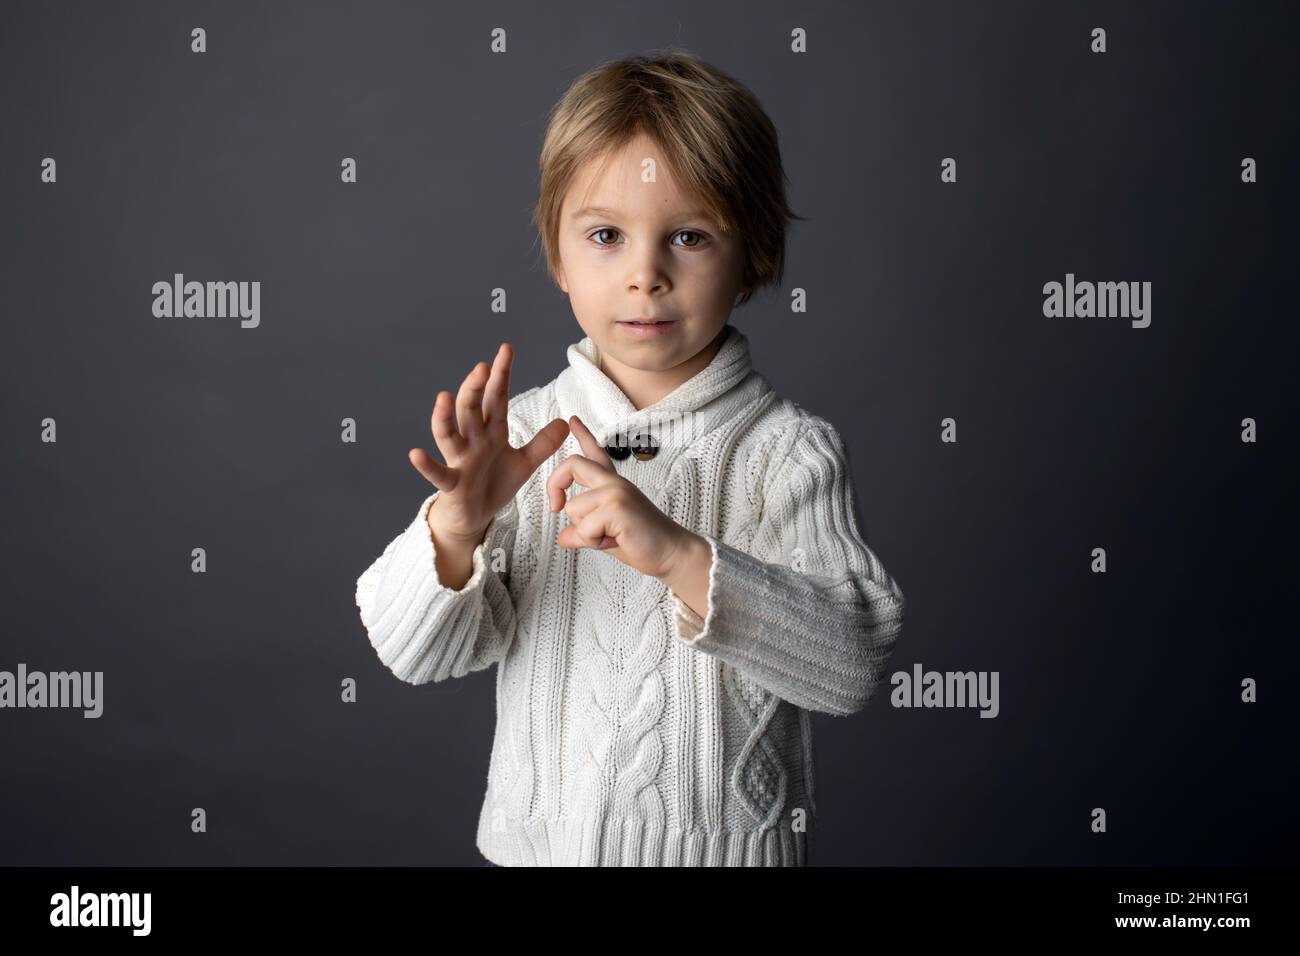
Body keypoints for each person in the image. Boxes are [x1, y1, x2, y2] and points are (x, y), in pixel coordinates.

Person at [355, 48, 906, 866]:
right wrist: (457, 525)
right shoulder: (520, 437)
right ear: (557, 254)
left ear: (752, 254)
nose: (645, 275)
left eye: (688, 236)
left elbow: (853, 664)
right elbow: (415, 654)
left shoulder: (786, 451)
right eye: (606, 236)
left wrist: (684, 557)